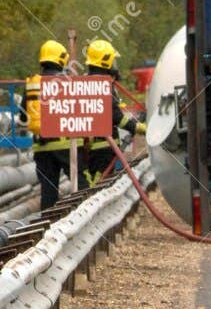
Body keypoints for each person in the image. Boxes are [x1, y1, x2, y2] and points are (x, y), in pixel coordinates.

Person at [20, 40, 72, 211]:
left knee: (48, 193)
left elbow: (22, 117)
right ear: (61, 59)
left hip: (41, 148)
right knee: (82, 184)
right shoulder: (67, 82)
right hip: (65, 146)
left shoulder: (32, 84)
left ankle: (48, 229)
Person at [79, 38, 137, 183]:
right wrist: (136, 126)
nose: (114, 65)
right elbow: (116, 116)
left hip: (88, 147)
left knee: (92, 183)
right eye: (112, 61)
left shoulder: (83, 82)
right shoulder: (103, 84)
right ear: (105, 61)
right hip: (104, 147)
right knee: (102, 186)